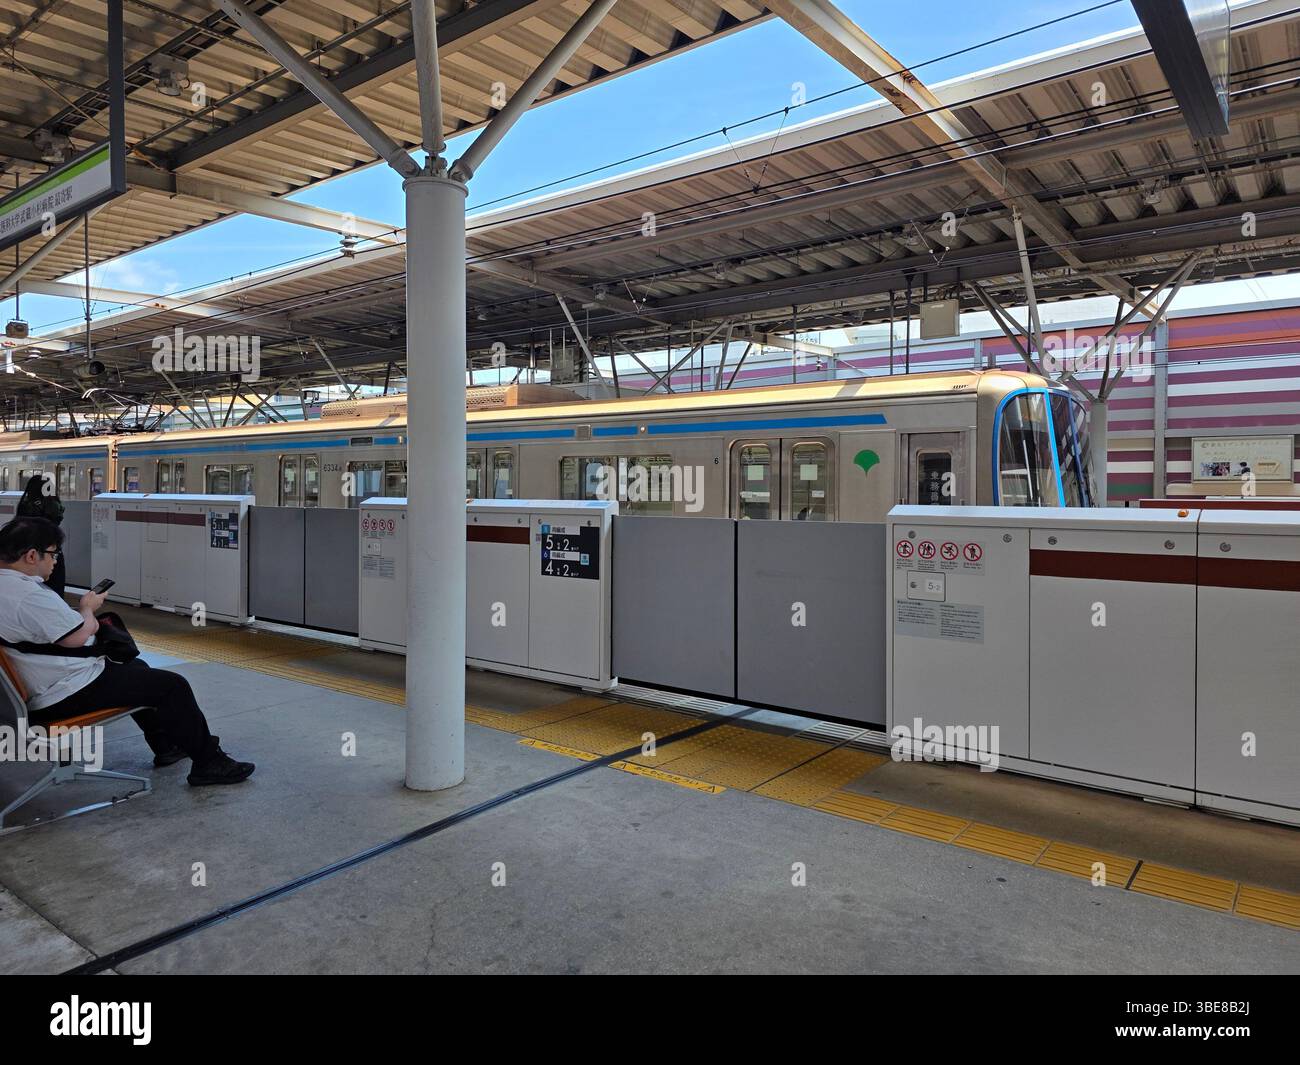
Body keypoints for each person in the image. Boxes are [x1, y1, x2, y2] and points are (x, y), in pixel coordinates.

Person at [0, 517, 255, 786]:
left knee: (137, 669)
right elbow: (77, 636)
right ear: (31, 556)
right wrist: (88, 607)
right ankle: (209, 763)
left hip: (42, 685)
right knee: (173, 685)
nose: (55, 561)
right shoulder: (26, 595)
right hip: (62, 691)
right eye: (53, 554)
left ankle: (167, 746)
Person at [17, 474, 66, 596]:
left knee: (33, 586)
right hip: (51, 549)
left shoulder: (26, 504)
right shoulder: (54, 505)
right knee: (55, 585)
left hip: (28, 549)